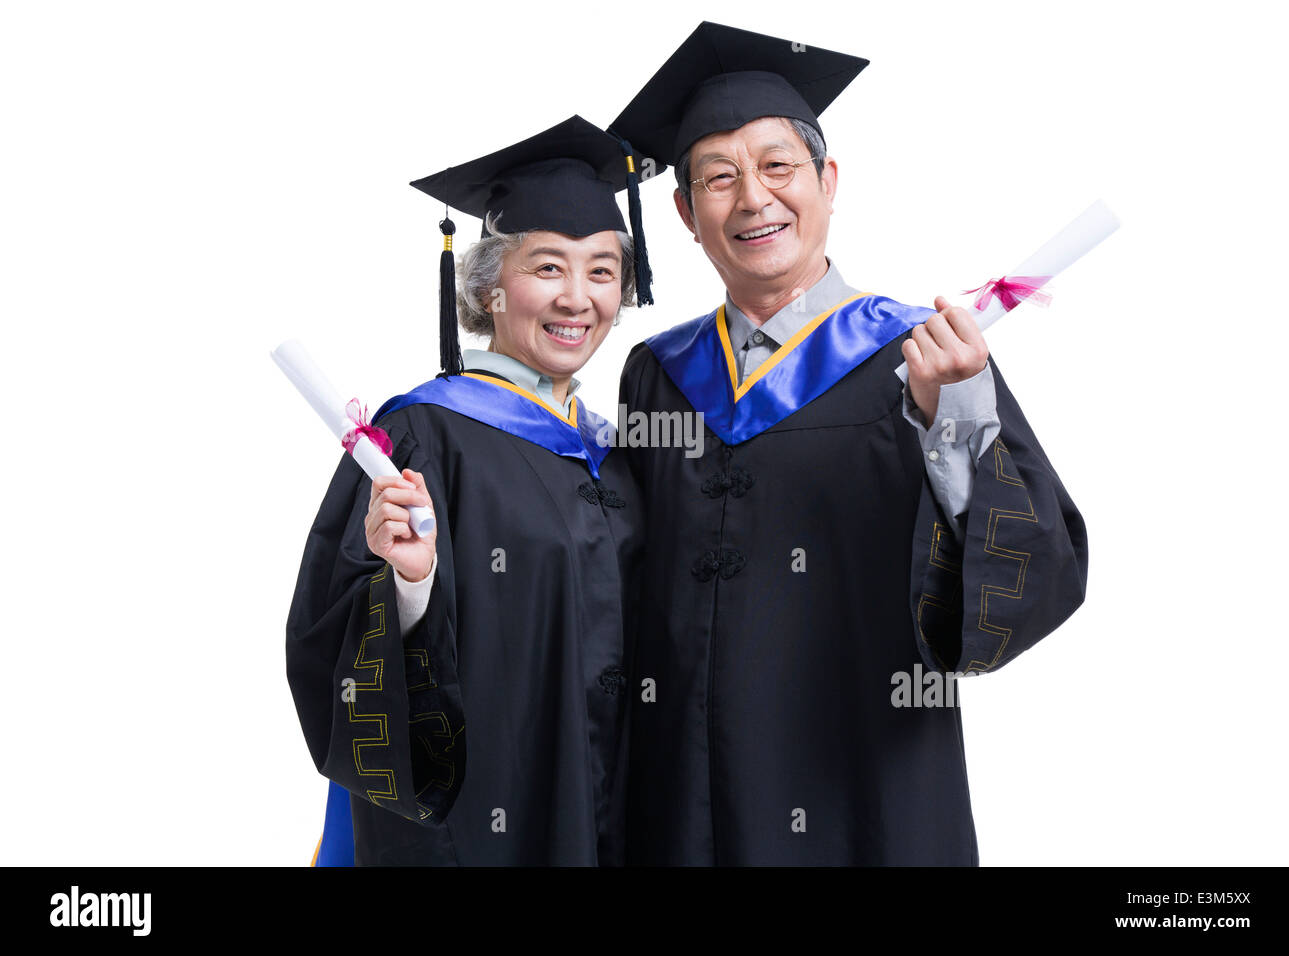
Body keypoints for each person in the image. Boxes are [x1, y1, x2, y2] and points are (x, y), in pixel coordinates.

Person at [607, 22, 1089, 865]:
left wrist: (953, 419)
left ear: (828, 183)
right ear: (685, 213)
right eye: (718, 178)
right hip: (684, 796)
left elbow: (1037, 574)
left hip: (863, 790)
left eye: (778, 166)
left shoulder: (925, 356)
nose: (752, 199)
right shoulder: (658, 374)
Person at [285, 115, 656, 865]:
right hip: (486, 821)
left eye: (602, 271)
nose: (577, 298)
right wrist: (411, 585)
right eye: (546, 268)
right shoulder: (424, 433)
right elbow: (335, 645)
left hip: (612, 810)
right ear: (490, 288)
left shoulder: (615, 455)